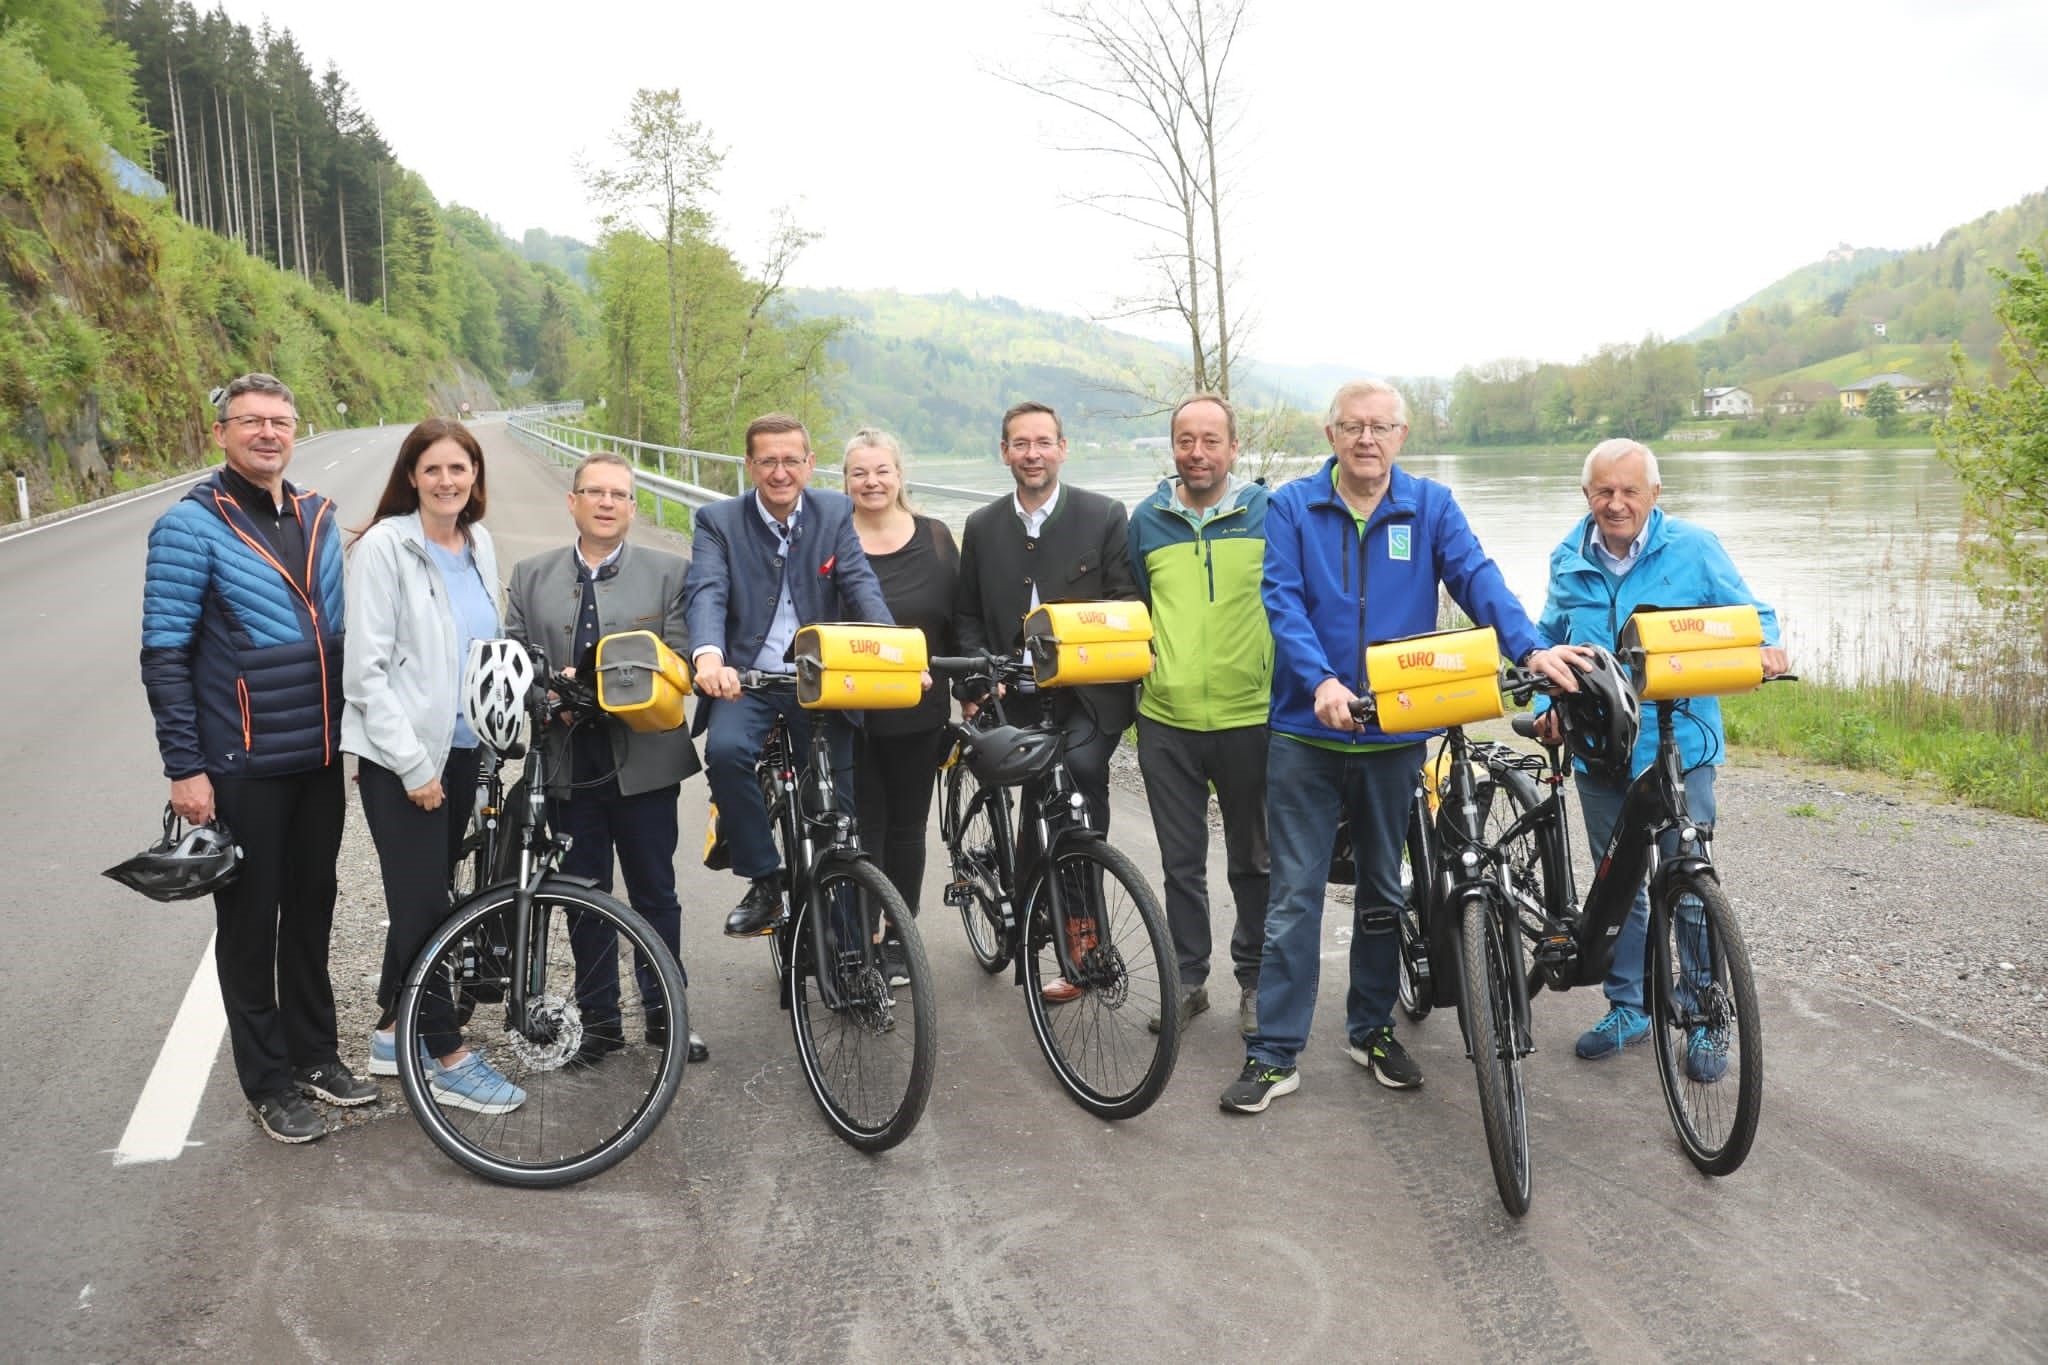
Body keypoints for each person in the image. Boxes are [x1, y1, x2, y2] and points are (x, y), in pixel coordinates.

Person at [1220, 379, 1587, 1114]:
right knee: (1295, 897)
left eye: (1380, 426)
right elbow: (1281, 599)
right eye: (1352, 426)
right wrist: (1320, 680)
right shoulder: (1293, 506)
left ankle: (1371, 1029)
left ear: (1402, 434)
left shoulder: (1430, 506)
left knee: (1386, 891)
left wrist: (1531, 647)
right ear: (1330, 435)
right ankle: (1274, 1054)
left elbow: (1477, 578)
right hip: (1306, 730)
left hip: (1393, 733)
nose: (1366, 439)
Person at [141, 372, 376, 1144]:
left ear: (294, 428)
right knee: (250, 923)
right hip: (239, 764)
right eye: (251, 421)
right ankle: (268, 1080)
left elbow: (342, 642)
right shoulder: (189, 526)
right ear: (222, 433)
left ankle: (314, 1054)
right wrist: (186, 766)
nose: (268, 432)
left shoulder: (316, 515)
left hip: (315, 758)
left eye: (280, 419)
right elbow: (166, 656)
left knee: (312, 908)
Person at [1534, 438, 1788, 1069]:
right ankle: (1630, 1005)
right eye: (1603, 491)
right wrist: (1545, 697)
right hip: (1600, 750)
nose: (1616, 504)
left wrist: (1768, 649)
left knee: (1687, 877)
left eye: (1629, 491)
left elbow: (1753, 615)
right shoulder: (1567, 557)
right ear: (1586, 494)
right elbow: (1548, 636)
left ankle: (1705, 1013)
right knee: (1617, 885)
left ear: (1654, 494)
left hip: (1681, 745)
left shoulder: (1694, 548)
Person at [341, 418, 525, 1116]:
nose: (448, 481)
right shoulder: (386, 548)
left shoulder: (478, 543)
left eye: (460, 468)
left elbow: (486, 646)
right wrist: (414, 765)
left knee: (430, 898)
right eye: (434, 470)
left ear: (476, 476)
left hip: (463, 750)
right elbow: (367, 673)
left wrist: (498, 728)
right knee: (422, 904)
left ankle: (392, 1033)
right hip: (403, 761)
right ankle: (446, 1053)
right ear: (411, 477)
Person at [504, 451, 708, 1064]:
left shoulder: (671, 573)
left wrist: (601, 684)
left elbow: (677, 656)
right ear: (573, 501)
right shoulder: (530, 575)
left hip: (644, 757)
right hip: (565, 759)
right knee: (581, 892)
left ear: (632, 506)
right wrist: (549, 695)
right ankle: (598, 1024)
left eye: (619, 494)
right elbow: (513, 660)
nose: (606, 503)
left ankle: (665, 1014)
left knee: (655, 893)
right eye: (594, 492)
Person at [953, 400, 1141, 1002]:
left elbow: (1124, 604)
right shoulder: (982, 527)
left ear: (1062, 448)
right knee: (1029, 785)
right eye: (1019, 444)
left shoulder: (1104, 515)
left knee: (1077, 785)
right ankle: (1030, 896)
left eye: (1042, 442)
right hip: (1011, 696)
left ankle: (1082, 938)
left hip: (1086, 697)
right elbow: (964, 615)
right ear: (1004, 452)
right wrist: (978, 685)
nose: (1031, 454)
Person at [685, 413, 891, 937]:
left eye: (791, 460)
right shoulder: (718, 520)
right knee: (728, 754)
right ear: (750, 465)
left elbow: (861, 585)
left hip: (818, 681)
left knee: (837, 811)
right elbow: (707, 591)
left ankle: (847, 949)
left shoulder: (834, 511)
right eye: (768, 461)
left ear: (810, 464)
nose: (781, 472)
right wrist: (709, 656)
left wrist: (894, 650)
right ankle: (764, 880)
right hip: (746, 679)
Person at [1127, 395, 1271, 1038]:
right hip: (1166, 718)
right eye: (1186, 440)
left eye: (1211, 440)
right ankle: (1188, 979)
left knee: (1255, 859)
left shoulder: (1268, 514)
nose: (1198, 452)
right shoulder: (1146, 521)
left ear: (1233, 448)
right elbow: (1133, 606)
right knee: (1180, 861)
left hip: (1251, 715)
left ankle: (1257, 980)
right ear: (1174, 447)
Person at [842, 428, 960, 984]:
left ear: (899, 475)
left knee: (908, 828)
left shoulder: (936, 538)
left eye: (882, 471)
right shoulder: (833, 540)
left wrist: (973, 685)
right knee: (865, 826)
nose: (872, 482)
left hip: (919, 709)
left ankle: (898, 938)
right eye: (860, 473)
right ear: (845, 481)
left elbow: (956, 622)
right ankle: (858, 937)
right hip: (852, 714)